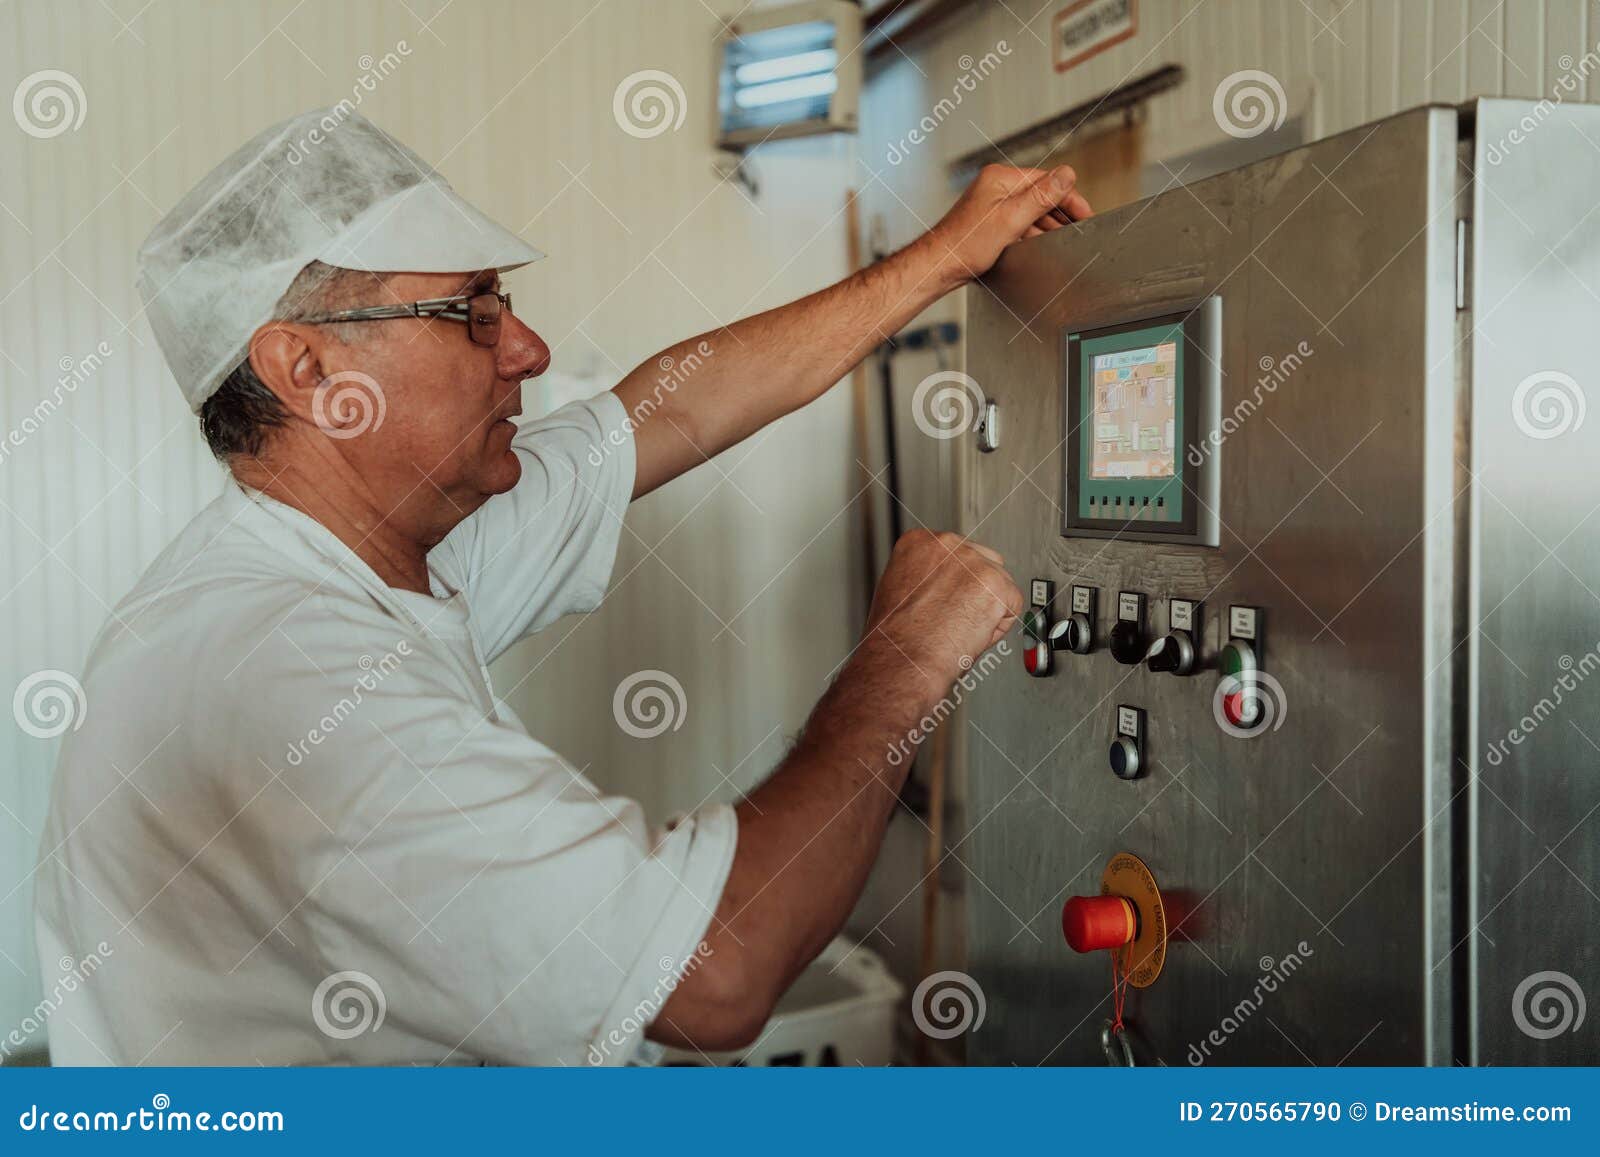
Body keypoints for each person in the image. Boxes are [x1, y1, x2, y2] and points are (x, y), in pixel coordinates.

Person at [33, 107, 1091, 1064]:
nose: (529, 350)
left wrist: (942, 258)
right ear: (306, 371)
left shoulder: (376, 540)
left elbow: (670, 411)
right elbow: (717, 973)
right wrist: (907, 654)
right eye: (471, 312)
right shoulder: (289, 675)